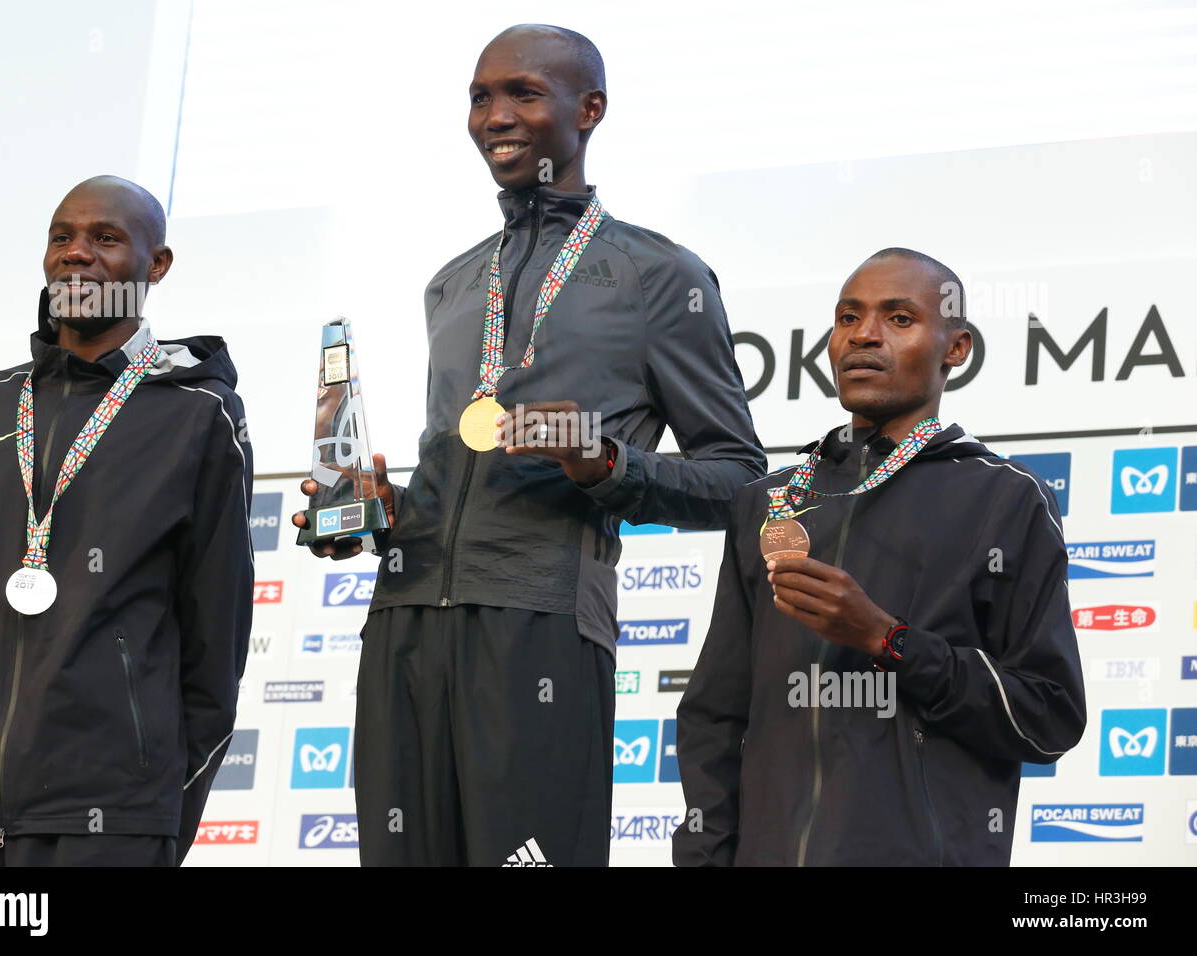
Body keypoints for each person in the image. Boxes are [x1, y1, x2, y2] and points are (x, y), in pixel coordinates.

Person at [293, 24, 768, 866]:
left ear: (590, 110)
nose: (495, 115)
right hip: (402, 623)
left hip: (539, 625)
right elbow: (454, 468)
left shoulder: (660, 277)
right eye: (480, 97)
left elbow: (739, 482)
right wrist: (377, 513)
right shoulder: (451, 280)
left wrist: (605, 464)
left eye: (522, 93)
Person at [673, 248, 1087, 866]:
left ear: (957, 348)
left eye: (899, 318)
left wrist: (890, 641)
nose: (863, 335)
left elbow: (1048, 715)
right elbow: (715, 712)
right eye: (847, 317)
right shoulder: (768, 502)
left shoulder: (1003, 499)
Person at [0, 175, 253, 867]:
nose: (77, 254)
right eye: (62, 238)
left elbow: (214, 642)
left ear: (155, 265)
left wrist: (156, 809)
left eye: (105, 239)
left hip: (112, 815)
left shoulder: (196, 415)